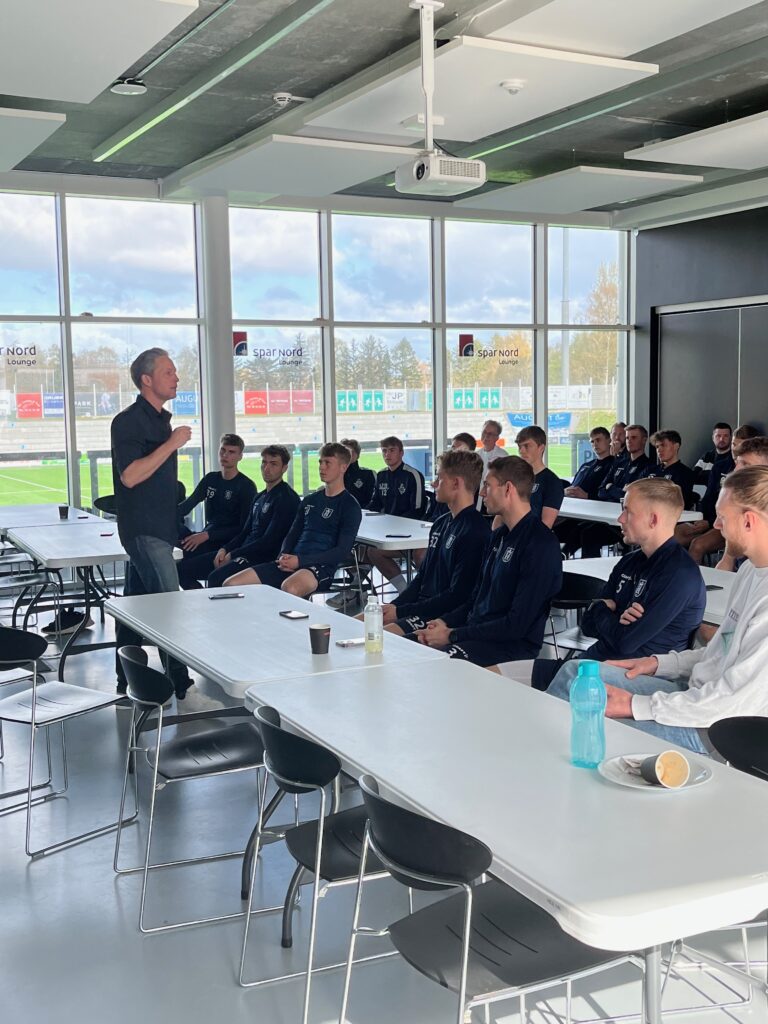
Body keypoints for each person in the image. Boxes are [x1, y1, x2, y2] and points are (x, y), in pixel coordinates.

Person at [546, 466, 768, 755]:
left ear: (749, 521)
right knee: (576, 674)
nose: (716, 526)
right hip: (694, 700)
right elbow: (721, 652)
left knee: (585, 708)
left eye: (723, 518)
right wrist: (656, 663)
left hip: (714, 729)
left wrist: (632, 705)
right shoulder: (751, 571)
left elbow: (731, 701)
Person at [498, 478, 706, 690]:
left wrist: (602, 610)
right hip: (589, 665)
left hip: (629, 681)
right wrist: (606, 613)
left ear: (653, 519)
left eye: (628, 511)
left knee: (515, 697)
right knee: (496, 673)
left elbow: (626, 643)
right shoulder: (630, 561)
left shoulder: (679, 575)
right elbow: (587, 624)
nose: (620, 518)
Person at [413, 456, 562, 667]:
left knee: (436, 664)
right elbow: (475, 601)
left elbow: (516, 625)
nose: (482, 493)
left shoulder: (539, 544)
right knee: (411, 647)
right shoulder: (499, 536)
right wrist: (445, 622)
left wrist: (453, 635)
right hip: (477, 635)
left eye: (487, 486)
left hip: (512, 648)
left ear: (508, 489)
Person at [110, 347, 194, 698]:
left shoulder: (161, 420)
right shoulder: (129, 422)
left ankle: (126, 679)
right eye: (169, 372)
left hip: (159, 528)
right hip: (144, 530)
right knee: (169, 609)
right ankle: (180, 684)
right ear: (147, 380)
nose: (176, 378)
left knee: (135, 608)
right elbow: (130, 476)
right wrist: (172, 444)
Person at [370, 450, 488, 637]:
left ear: (456, 483)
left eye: (440, 479)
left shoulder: (475, 531)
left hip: (440, 615)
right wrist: (396, 605)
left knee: (379, 636)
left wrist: (401, 612)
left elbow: (458, 596)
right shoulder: (440, 523)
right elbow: (422, 577)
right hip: (422, 607)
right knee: (360, 621)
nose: (433, 484)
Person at [223, 443, 361, 598]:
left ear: (343, 467)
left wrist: (300, 561)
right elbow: (292, 534)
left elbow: (341, 552)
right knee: (230, 585)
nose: (322, 467)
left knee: (289, 588)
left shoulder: (350, 506)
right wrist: (284, 556)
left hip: (318, 567)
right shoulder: (310, 500)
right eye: (320, 462)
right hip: (292, 562)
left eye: (327, 463)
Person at [207, 444, 300, 587]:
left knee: (216, 578)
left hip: (262, 558)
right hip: (245, 552)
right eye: (264, 462)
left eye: (273, 464)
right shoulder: (259, 497)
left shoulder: (286, 499)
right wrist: (225, 549)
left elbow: (269, 541)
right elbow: (245, 532)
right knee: (187, 568)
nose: (267, 468)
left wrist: (233, 554)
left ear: (284, 468)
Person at [174, 434, 257, 589]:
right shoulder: (211, 479)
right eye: (223, 450)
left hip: (225, 544)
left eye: (231, 452)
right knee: (171, 551)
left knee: (180, 571)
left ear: (240, 456)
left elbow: (244, 528)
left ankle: (203, 602)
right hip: (205, 537)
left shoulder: (246, 486)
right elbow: (188, 504)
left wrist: (207, 535)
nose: (225, 455)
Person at [676, 424, 759, 564]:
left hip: (729, 524)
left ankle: (692, 583)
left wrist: (709, 522)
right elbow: (708, 497)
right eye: (734, 444)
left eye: (740, 446)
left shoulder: (753, 471)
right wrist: (703, 519)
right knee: (671, 535)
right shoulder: (720, 465)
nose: (735, 449)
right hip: (708, 519)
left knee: (698, 545)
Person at [579, 424, 653, 558]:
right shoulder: (619, 463)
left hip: (630, 521)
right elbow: (601, 490)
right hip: (608, 517)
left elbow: (634, 497)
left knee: (589, 534)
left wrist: (611, 488)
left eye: (634, 437)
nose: (629, 441)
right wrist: (617, 490)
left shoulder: (649, 467)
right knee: (583, 530)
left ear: (644, 440)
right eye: (627, 438)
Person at [365, 435, 426, 593]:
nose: (387, 455)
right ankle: (404, 591)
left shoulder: (413, 475)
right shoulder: (381, 475)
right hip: (388, 533)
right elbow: (375, 504)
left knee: (420, 556)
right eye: (384, 451)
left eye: (392, 450)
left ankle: (425, 591)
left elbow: (418, 509)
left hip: (412, 535)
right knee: (372, 551)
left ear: (401, 453)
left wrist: (396, 523)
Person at [714, 436, 768, 573]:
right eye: (737, 462)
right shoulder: (738, 492)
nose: (736, 469)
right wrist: (725, 563)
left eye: (745, 464)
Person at [515, 425, 564, 528]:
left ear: (541, 448)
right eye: (520, 446)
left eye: (527, 446)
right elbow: (500, 517)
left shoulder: (552, 482)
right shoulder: (514, 477)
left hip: (531, 539)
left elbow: (546, 525)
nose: (521, 451)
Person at [648, 429, 695, 509]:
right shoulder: (650, 470)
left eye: (663, 445)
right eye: (657, 446)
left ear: (676, 446)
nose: (659, 450)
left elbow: (680, 501)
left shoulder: (685, 473)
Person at [476, 419, 507, 512]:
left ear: (497, 437)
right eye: (484, 432)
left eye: (490, 434)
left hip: (494, 500)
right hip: (478, 498)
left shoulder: (503, 456)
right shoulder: (476, 455)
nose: (486, 436)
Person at [340, 438, 376, 508]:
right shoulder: (336, 474)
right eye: (345, 452)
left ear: (358, 455)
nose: (348, 454)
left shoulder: (367, 474)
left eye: (351, 452)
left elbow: (373, 500)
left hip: (362, 513)